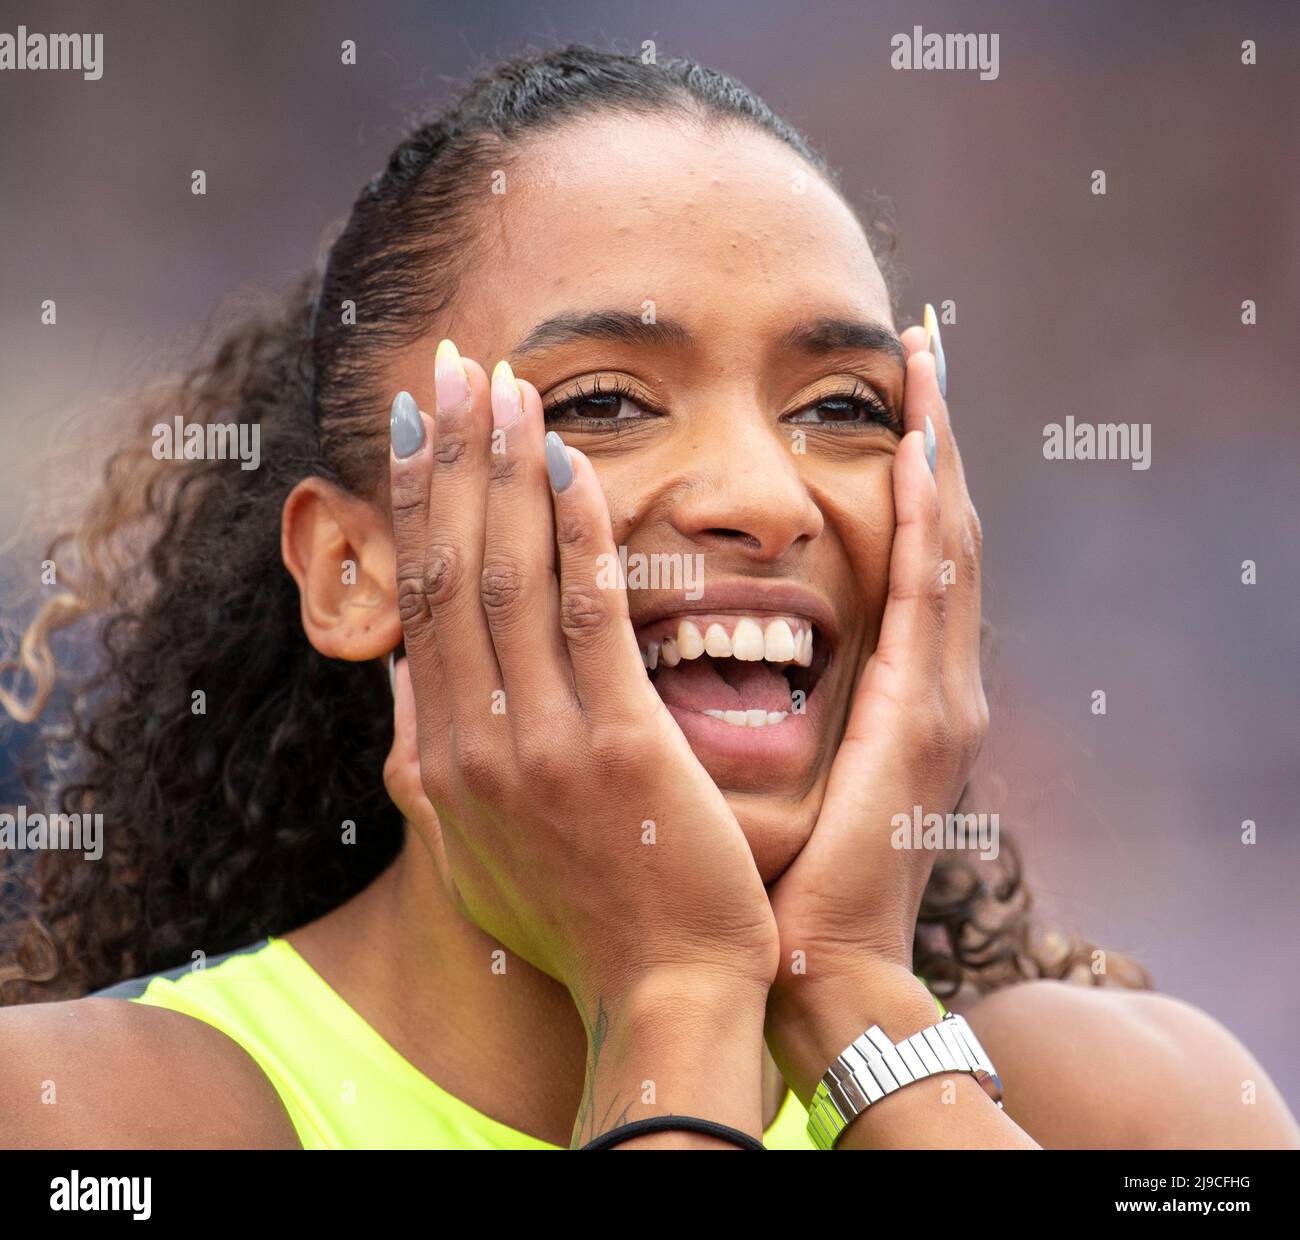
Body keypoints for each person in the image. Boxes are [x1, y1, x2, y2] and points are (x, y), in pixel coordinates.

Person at [1, 45, 1295, 1150]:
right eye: (605, 403)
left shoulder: (1139, 1111)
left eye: (842, 409)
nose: (765, 497)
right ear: (356, 571)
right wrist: (676, 1000)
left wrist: (859, 1005)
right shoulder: (84, 1117)